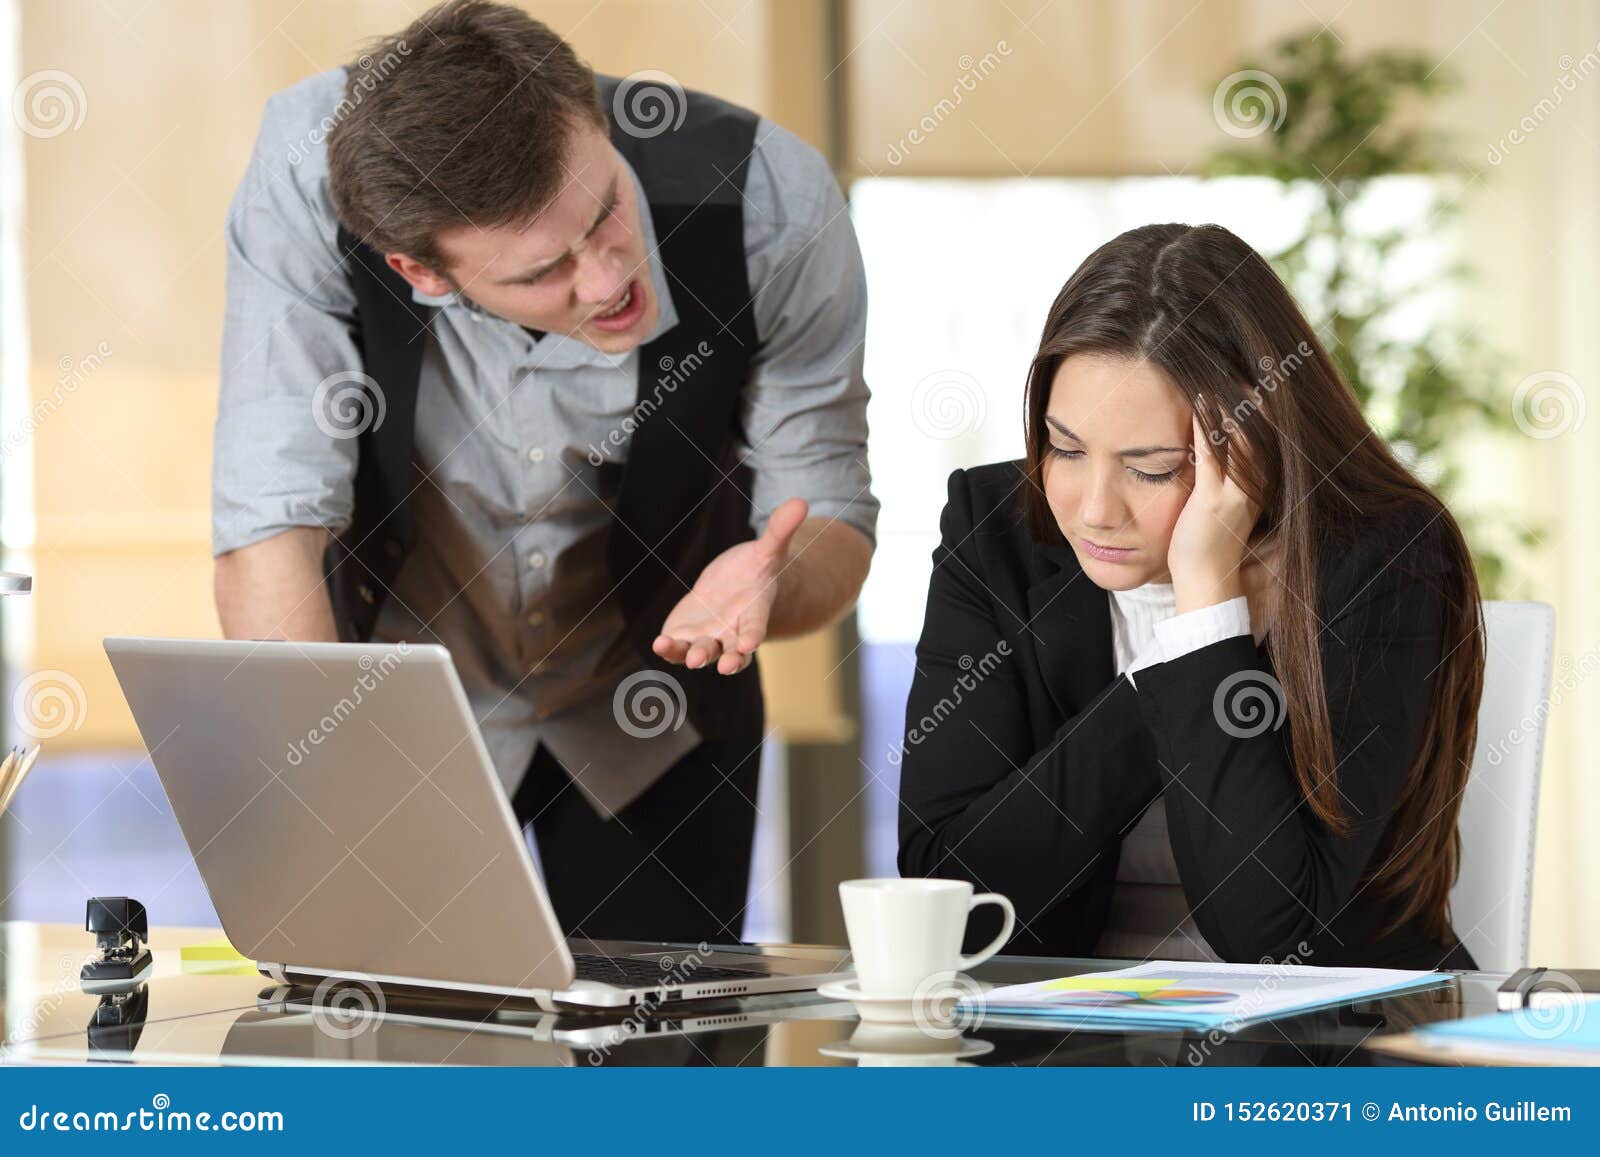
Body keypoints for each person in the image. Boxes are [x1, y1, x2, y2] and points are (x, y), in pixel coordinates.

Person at [211, 0, 877, 943]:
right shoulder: (305, 172)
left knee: (670, 1073)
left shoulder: (772, 202)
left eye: (605, 211)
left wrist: (773, 583)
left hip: (655, 709)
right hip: (396, 704)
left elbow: (831, 515)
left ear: (593, 120)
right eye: (542, 272)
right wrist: (328, 785)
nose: (609, 281)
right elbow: (269, 515)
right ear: (422, 270)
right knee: (392, 1066)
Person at [897, 222, 1482, 970]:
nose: (1095, 508)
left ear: (1250, 440)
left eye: (1150, 466)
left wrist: (1208, 603)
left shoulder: (1380, 551)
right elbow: (951, 897)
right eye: (1066, 448)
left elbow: (1271, 938)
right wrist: (1171, 670)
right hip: (1059, 1041)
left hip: (1316, 1051)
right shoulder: (998, 532)